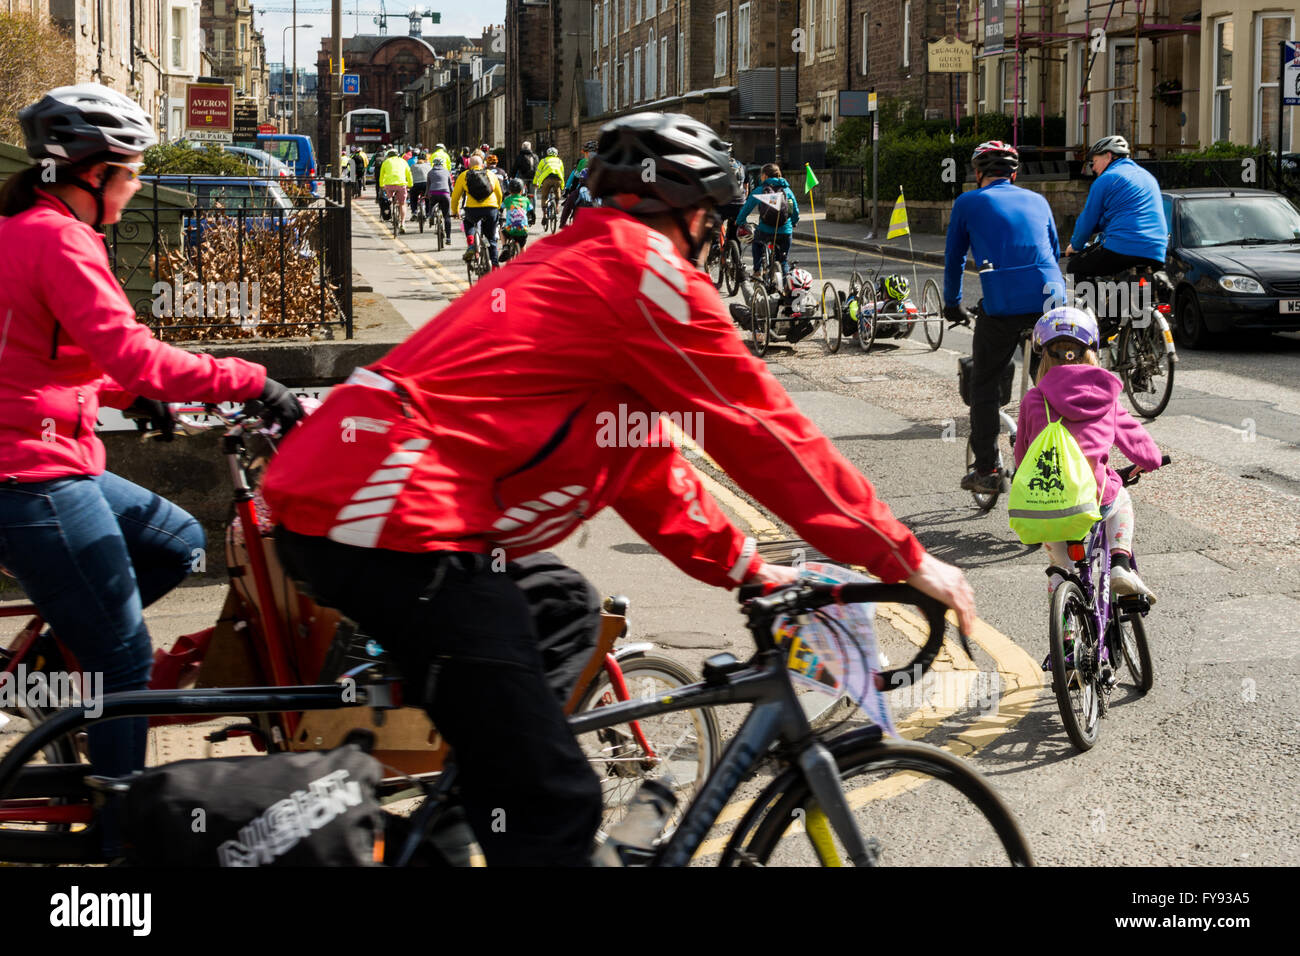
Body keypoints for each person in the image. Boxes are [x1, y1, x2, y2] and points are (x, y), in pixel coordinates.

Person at [260, 111, 976, 866]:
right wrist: (905, 557)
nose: (723, 237)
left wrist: (749, 567)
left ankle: (474, 806)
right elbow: (764, 430)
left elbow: (643, 467)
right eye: (719, 221)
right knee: (555, 803)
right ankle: (484, 821)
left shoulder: (579, 261)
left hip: (376, 500)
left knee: (566, 614)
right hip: (395, 517)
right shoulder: (649, 275)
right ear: (696, 217)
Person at [0, 83, 303, 799]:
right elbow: (135, 352)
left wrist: (125, 396)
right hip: (30, 474)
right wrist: (251, 381)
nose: (136, 188)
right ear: (92, 174)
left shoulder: (18, 229)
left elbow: (30, 358)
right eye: (131, 172)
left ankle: (44, 676)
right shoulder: (62, 240)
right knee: (124, 655)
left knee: (173, 540)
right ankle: (116, 825)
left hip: (40, 450)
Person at [1014, 307, 1163, 632]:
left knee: (1061, 569)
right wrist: (1150, 460)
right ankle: (1121, 564)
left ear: (1044, 356)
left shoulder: (1033, 400)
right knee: (1120, 499)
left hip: (1047, 506)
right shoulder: (1106, 397)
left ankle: (1066, 644)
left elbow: (1022, 456)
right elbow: (1137, 441)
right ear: (1091, 352)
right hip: (1094, 501)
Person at [943, 140, 1066, 496]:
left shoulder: (968, 202)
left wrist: (952, 303)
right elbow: (1054, 250)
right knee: (1051, 385)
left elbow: (953, 258)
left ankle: (986, 469)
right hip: (1050, 299)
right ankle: (1063, 456)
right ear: (1014, 174)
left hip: (1002, 304)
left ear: (978, 173)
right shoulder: (1038, 200)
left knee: (985, 382)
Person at [1064, 135, 1167, 284]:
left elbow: (1087, 220)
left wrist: (1075, 245)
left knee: (1075, 268)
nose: (1092, 167)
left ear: (1108, 156)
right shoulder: (1148, 177)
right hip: (1157, 251)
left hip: (1123, 247)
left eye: (1094, 161)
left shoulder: (1106, 179)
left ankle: (1102, 307)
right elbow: (1121, 214)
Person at [735, 163, 799, 280]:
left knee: (757, 244)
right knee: (783, 261)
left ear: (764, 176)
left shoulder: (760, 190)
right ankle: (785, 289)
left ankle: (757, 271)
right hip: (785, 231)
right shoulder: (787, 191)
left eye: (761, 175)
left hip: (765, 230)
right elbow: (793, 210)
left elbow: (746, 208)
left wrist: (740, 221)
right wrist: (793, 222)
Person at [451, 154, 503, 268]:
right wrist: (497, 208)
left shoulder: (464, 175)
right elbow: (499, 194)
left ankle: (471, 244)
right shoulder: (491, 174)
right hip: (491, 208)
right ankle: (494, 266)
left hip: (473, 210)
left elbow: (455, 197)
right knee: (492, 239)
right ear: (483, 164)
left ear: (469, 166)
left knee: (468, 222)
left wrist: (455, 211)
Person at [559, 141, 598, 228]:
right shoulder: (604, 162)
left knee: (571, 200)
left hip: (580, 225)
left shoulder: (582, 161)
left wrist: (562, 224)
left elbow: (575, 175)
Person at [380, 147, 413, 233]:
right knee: (402, 204)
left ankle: (391, 205)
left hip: (389, 184)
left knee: (390, 199)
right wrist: (410, 184)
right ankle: (402, 223)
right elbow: (408, 174)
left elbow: (381, 175)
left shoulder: (385, 162)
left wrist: (381, 185)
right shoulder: (403, 161)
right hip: (401, 184)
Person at [718, 142, 747, 241]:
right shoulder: (740, 165)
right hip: (739, 203)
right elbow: (746, 186)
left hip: (722, 203)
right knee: (734, 234)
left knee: (713, 227)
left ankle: (716, 247)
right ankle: (736, 253)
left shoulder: (716, 165)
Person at [499, 178, 534, 257]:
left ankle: (505, 246)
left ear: (510, 191)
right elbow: (532, 212)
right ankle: (523, 260)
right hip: (523, 230)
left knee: (501, 231)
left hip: (510, 230)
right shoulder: (526, 200)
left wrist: (499, 218)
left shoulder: (507, 200)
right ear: (522, 191)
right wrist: (533, 220)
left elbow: (500, 210)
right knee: (523, 245)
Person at [426, 156, 454, 244]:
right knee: (447, 216)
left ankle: (431, 215)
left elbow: (428, 186)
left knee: (431, 204)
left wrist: (426, 195)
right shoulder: (447, 172)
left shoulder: (430, 173)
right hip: (445, 194)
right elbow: (450, 185)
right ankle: (448, 238)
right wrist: (452, 193)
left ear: (433, 164)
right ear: (442, 164)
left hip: (433, 193)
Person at [533, 146, 565, 222]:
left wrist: (535, 182)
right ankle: (556, 206)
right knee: (557, 193)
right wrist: (562, 185)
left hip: (546, 180)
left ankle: (545, 215)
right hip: (557, 179)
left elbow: (538, 173)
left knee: (544, 197)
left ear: (547, 153)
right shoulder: (559, 161)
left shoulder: (543, 161)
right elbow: (562, 173)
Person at [512, 140, 539, 222]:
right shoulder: (535, 156)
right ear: (530, 148)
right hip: (533, 178)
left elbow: (515, 168)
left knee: (521, 195)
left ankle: (522, 211)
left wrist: (512, 177)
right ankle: (533, 213)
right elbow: (537, 168)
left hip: (522, 178)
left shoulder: (519, 157)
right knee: (533, 195)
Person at [409, 151, 431, 219]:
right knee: (428, 198)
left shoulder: (413, 166)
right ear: (425, 159)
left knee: (413, 197)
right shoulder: (428, 166)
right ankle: (428, 213)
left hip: (415, 184)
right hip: (426, 185)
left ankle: (414, 211)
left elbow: (409, 176)